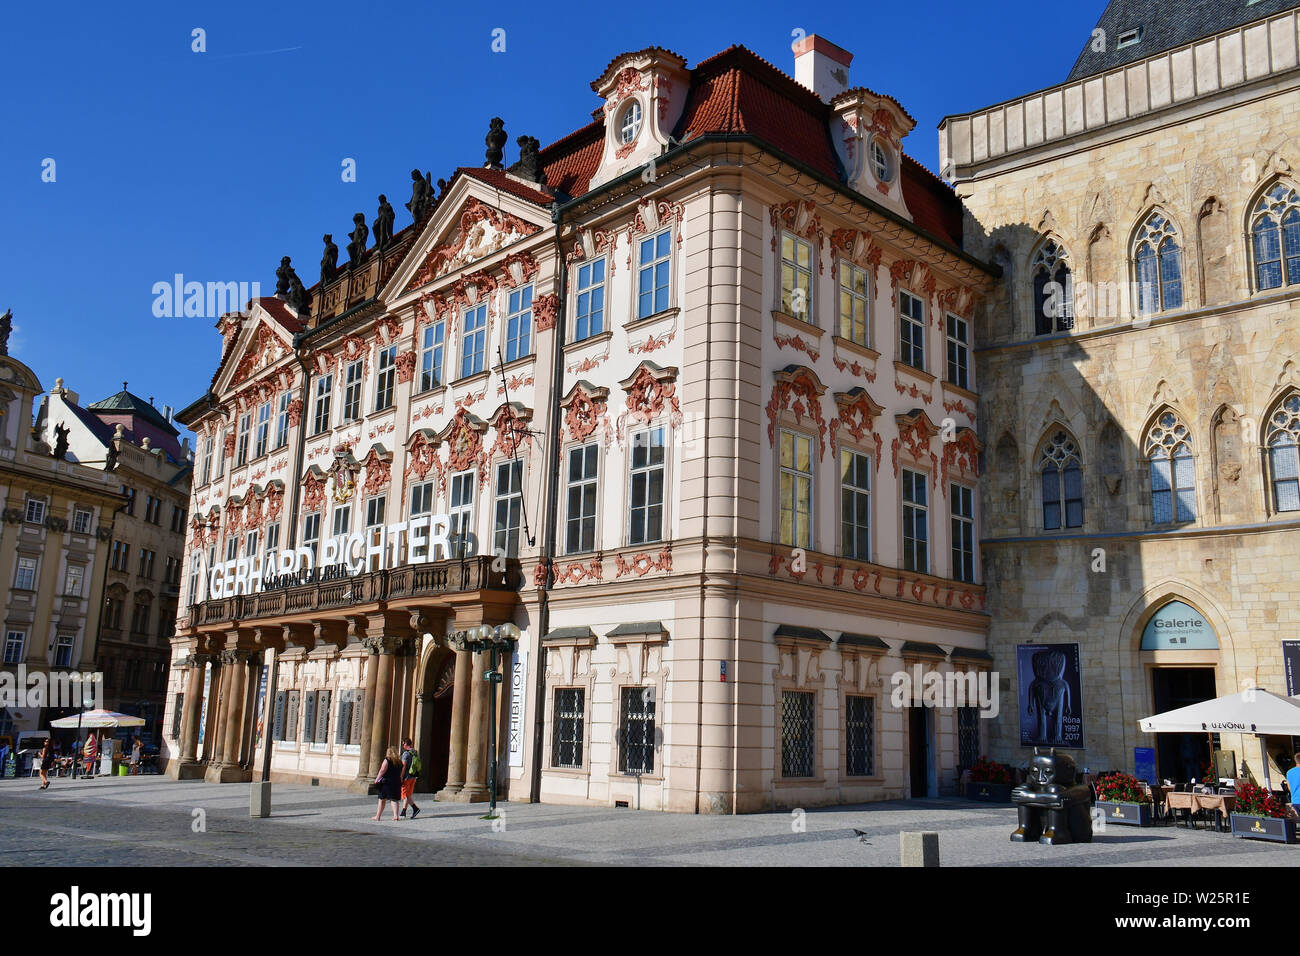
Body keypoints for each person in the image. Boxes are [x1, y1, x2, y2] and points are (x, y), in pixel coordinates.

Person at [372, 745, 403, 821]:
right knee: (394, 799)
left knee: (382, 799)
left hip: (387, 782)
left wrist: (377, 779)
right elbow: (401, 772)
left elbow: (382, 770)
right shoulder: (399, 762)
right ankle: (396, 816)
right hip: (396, 782)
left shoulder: (387, 760)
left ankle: (378, 816)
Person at [399, 737, 421, 819]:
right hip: (413, 776)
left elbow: (404, 765)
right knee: (408, 794)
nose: (402, 745)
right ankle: (403, 812)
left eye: (403, 744)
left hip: (407, 777)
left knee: (405, 794)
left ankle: (415, 808)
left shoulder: (406, 754)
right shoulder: (415, 752)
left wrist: (401, 776)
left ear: (405, 744)